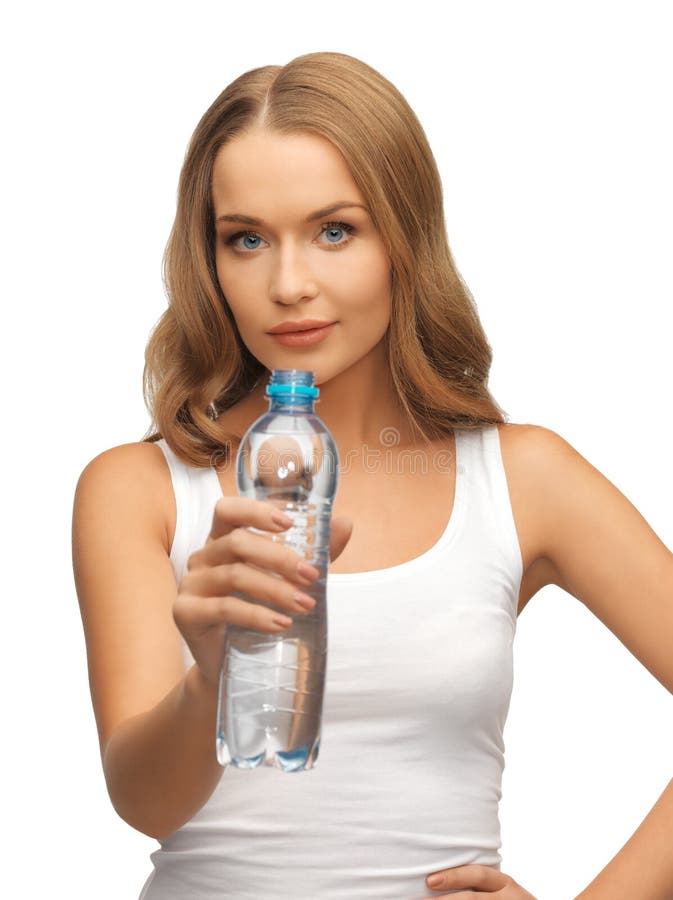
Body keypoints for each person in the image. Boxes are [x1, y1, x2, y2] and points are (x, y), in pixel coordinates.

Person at [72, 51, 673, 900]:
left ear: (404, 237)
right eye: (245, 239)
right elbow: (145, 803)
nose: (287, 284)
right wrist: (213, 674)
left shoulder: (521, 479)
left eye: (334, 230)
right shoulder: (138, 489)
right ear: (209, 262)